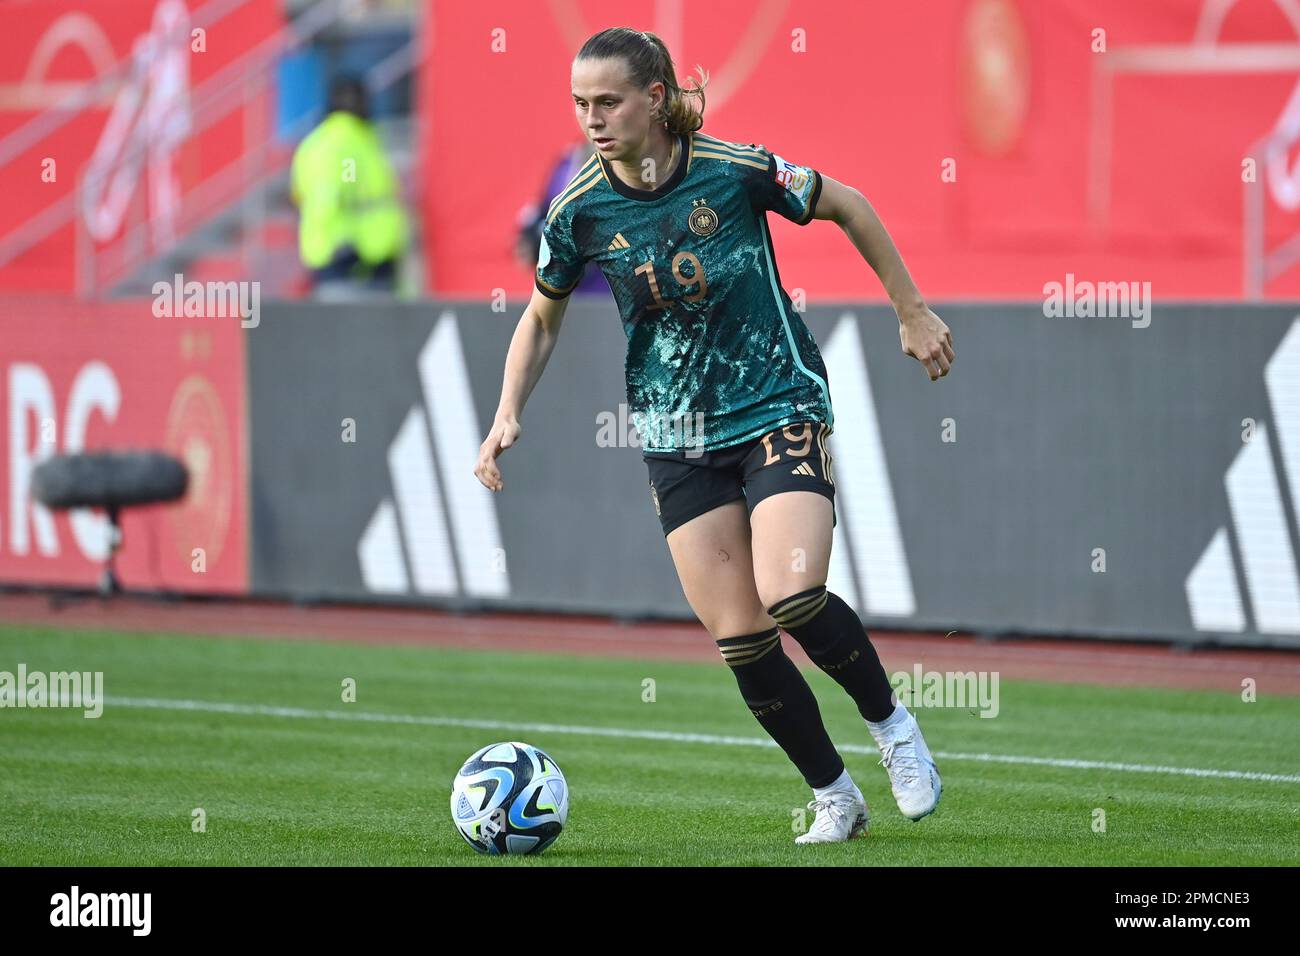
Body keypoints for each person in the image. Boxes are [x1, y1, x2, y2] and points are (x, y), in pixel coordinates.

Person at [474, 27, 955, 844]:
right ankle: (835, 795)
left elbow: (847, 204)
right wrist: (506, 411)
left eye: (608, 101)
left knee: (791, 591)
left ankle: (894, 729)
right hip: (675, 432)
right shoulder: (579, 209)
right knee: (742, 637)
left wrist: (911, 309)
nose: (592, 119)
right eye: (580, 104)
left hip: (777, 402)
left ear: (655, 97)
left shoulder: (735, 170)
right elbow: (541, 317)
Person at [290, 76, 407, 295]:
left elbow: (300, 197)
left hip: (340, 256)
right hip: (355, 260)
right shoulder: (347, 141)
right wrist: (348, 243)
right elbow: (343, 193)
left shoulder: (315, 142)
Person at [515, 139, 610, 296]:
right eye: (585, 112)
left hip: (608, 292)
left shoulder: (636, 165)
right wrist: (530, 237)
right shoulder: (566, 161)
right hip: (568, 291)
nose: (593, 120)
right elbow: (545, 207)